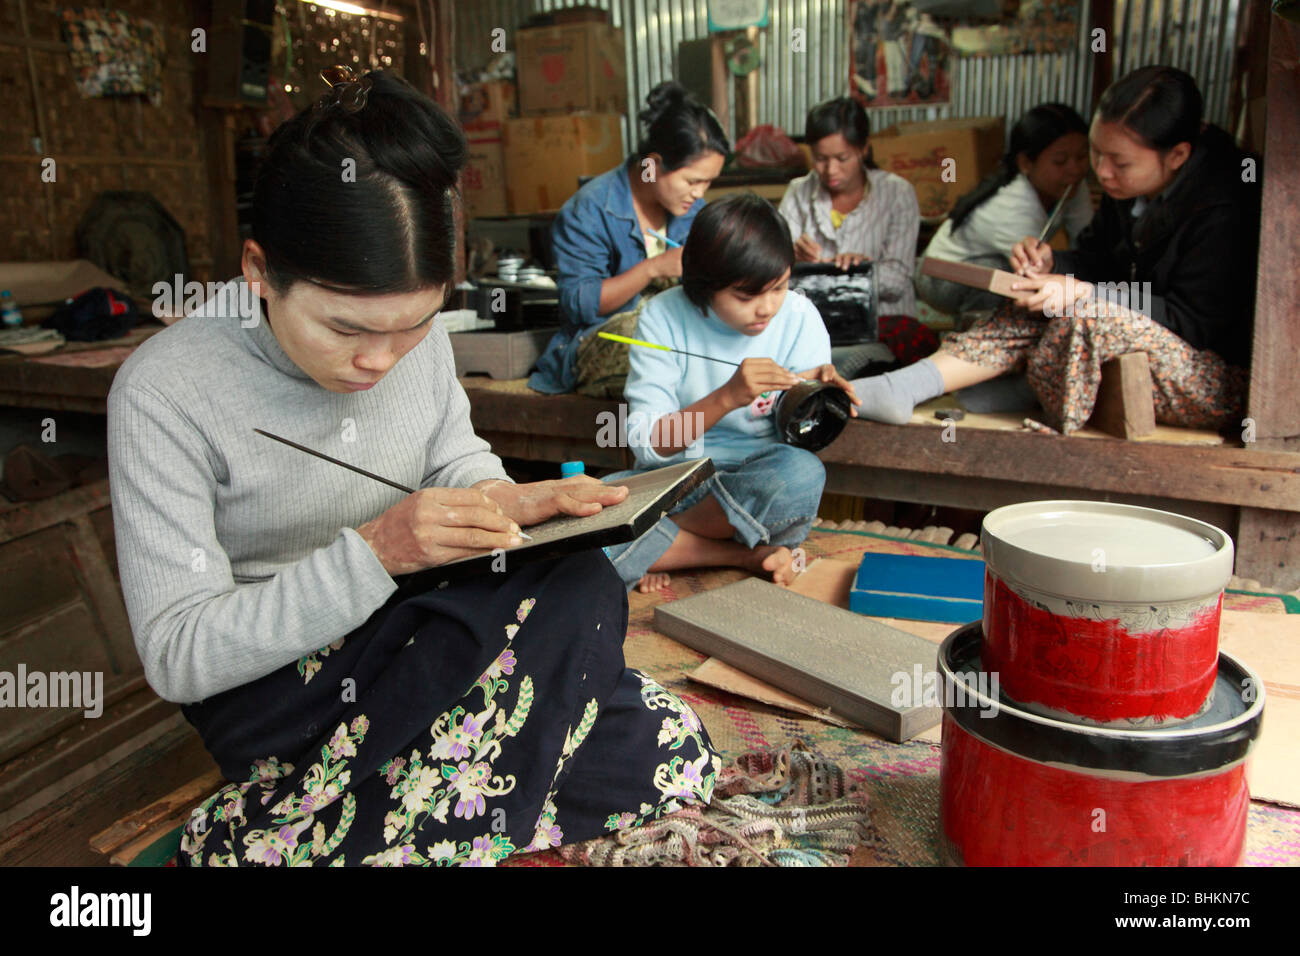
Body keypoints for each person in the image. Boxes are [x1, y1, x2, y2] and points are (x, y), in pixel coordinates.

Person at [106, 70, 720, 867]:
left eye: (415, 327)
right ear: (259, 270)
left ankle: (341, 826)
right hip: (282, 693)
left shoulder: (412, 343)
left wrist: (507, 499)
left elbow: (453, 455)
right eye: (346, 328)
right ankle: (332, 810)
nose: (379, 360)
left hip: (417, 640)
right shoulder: (164, 392)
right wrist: (375, 552)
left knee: (649, 701)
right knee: (615, 717)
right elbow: (178, 653)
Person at [847, 66, 1259, 435]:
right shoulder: (1130, 189)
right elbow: (1097, 260)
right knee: (1035, 298)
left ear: (1178, 155)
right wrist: (1052, 264)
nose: (1100, 171)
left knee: (1085, 315)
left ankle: (1041, 405)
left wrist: (1085, 293)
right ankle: (900, 387)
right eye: (1096, 153)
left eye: (1119, 161)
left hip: (1206, 376)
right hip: (1133, 340)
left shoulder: (1223, 210)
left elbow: (1193, 321)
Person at [601, 193, 859, 594]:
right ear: (704, 288)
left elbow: (802, 445)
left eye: (779, 287)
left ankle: (650, 540)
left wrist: (814, 397)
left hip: (756, 484)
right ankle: (743, 555)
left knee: (801, 475)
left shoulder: (799, 316)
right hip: (677, 481)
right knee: (587, 513)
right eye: (746, 296)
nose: (767, 308)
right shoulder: (661, 317)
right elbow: (649, 444)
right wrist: (727, 396)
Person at [528, 82, 728, 397]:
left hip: (677, 329)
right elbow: (580, 306)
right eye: (692, 181)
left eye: (708, 183)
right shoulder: (589, 210)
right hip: (602, 338)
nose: (699, 193)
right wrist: (654, 268)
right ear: (653, 164)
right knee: (660, 346)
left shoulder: (693, 211)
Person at [777, 96, 933, 373]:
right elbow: (773, 272)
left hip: (880, 325)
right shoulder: (798, 192)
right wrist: (792, 257)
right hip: (816, 322)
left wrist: (862, 270)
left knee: (852, 364)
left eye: (842, 158)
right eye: (820, 159)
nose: (830, 170)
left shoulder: (898, 194)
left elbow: (896, 280)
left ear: (863, 149)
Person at [918, 103, 1092, 314]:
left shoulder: (1072, 184)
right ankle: (978, 334)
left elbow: (1087, 247)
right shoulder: (1011, 205)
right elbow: (1032, 275)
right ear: (1026, 163)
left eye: (1082, 157)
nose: (1074, 169)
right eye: (1060, 161)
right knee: (1008, 278)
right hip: (940, 277)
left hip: (983, 265)